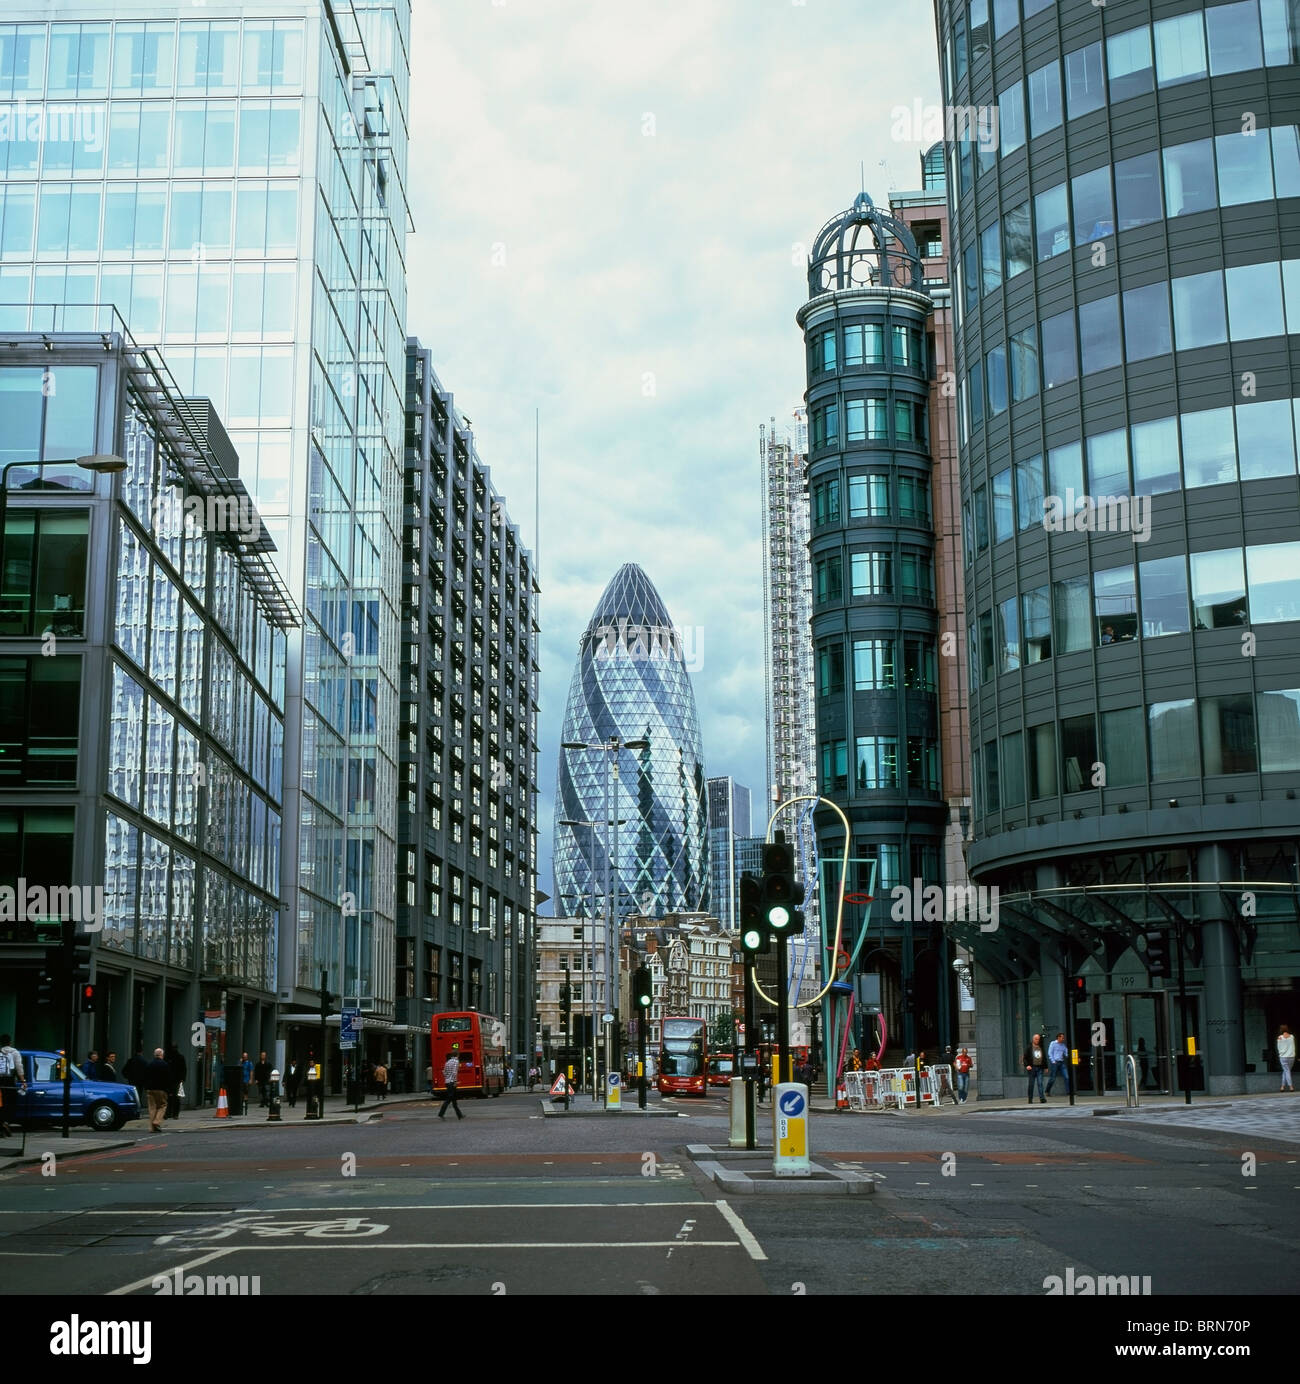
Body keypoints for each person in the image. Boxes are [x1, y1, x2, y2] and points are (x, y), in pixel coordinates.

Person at [0, 1034, 27, 1138]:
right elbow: (19, 1068)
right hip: (10, 1081)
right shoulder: (15, 1052)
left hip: (0, 1081)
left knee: (1, 1104)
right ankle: (6, 1122)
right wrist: (23, 1081)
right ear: (10, 1042)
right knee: (11, 1103)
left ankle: (1, 1124)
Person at [144, 1048, 171, 1133]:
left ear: (154, 1055)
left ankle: (152, 1128)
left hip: (150, 1089)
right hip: (160, 1089)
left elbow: (145, 1076)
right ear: (161, 1055)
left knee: (152, 1108)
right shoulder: (165, 1065)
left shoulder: (149, 1064)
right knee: (162, 1105)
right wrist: (168, 1090)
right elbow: (168, 1078)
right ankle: (157, 1121)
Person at [1023, 1033, 1048, 1104]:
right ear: (1033, 1039)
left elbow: (1044, 1057)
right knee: (1031, 1084)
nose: (1037, 1040)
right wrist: (1027, 1065)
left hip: (1040, 1067)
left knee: (1040, 1083)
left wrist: (1046, 1067)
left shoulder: (1041, 1046)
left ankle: (1042, 1098)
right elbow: (1024, 1058)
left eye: (1038, 1039)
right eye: (1036, 1039)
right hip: (1032, 1068)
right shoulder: (1029, 1047)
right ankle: (1030, 1099)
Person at [438, 1053, 464, 1120]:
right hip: (452, 1083)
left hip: (447, 1082)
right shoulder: (456, 1061)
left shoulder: (447, 1062)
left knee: (454, 1099)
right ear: (457, 1056)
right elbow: (454, 1072)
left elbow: (444, 1072)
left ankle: (460, 1115)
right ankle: (441, 1114)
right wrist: (455, 1081)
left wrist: (447, 1078)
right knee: (449, 1099)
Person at [165, 1044, 187, 1120]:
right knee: (176, 1098)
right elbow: (184, 1069)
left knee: (170, 1097)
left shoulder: (168, 1057)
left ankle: (169, 1113)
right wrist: (182, 1079)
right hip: (176, 1080)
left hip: (170, 1080)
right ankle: (174, 1114)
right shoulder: (180, 1057)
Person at [1045, 1033, 1070, 1097]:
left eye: (1063, 1038)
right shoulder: (1053, 1043)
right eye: (1062, 1037)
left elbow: (1066, 1053)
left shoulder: (1063, 1045)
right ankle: (1047, 1091)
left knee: (1066, 1077)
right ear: (1058, 1037)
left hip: (1061, 1062)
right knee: (1052, 1078)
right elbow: (1050, 1053)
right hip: (1055, 1062)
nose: (1063, 1039)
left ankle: (1068, 1092)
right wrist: (1053, 1061)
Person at [1278, 1024, 1296, 1092]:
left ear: (1281, 1030)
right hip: (1291, 1056)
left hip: (1283, 1057)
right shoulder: (1292, 1037)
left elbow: (1279, 1048)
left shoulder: (1280, 1037)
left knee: (1286, 1071)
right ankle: (1282, 1087)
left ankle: (1291, 1086)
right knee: (1286, 1071)